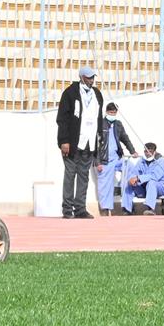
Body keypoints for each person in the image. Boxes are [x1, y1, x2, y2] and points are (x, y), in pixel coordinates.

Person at [55, 67, 103, 219]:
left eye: (92, 77)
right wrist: (64, 141)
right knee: (70, 175)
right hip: (74, 141)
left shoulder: (97, 94)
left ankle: (80, 208)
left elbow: (99, 119)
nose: (91, 80)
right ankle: (67, 209)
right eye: (88, 77)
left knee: (84, 176)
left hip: (90, 142)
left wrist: (99, 139)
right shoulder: (70, 93)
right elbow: (62, 119)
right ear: (82, 77)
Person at [95, 101, 140, 216]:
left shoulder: (118, 124)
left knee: (130, 168)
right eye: (111, 112)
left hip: (117, 158)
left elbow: (125, 138)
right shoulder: (100, 123)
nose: (112, 114)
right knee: (105, 186)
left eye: (114, 113)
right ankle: (105, 209)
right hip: (104, 160)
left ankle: (127, 207)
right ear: (106, 112)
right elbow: (94, 144)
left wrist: (132, 151)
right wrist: (97, 162)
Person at [124, 142, 164, 215]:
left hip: (161, 186)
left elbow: (154, 176)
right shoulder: (141, 161)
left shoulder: (160, 162)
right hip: (145, 187)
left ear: (155, 152)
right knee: (129, 184)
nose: (147, 154)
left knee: (151, 182)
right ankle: (127, 209)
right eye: (146, 151)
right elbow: (135, 172)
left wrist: (138, 178)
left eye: (150, 152)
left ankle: (150, 209)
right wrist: (131, 179)